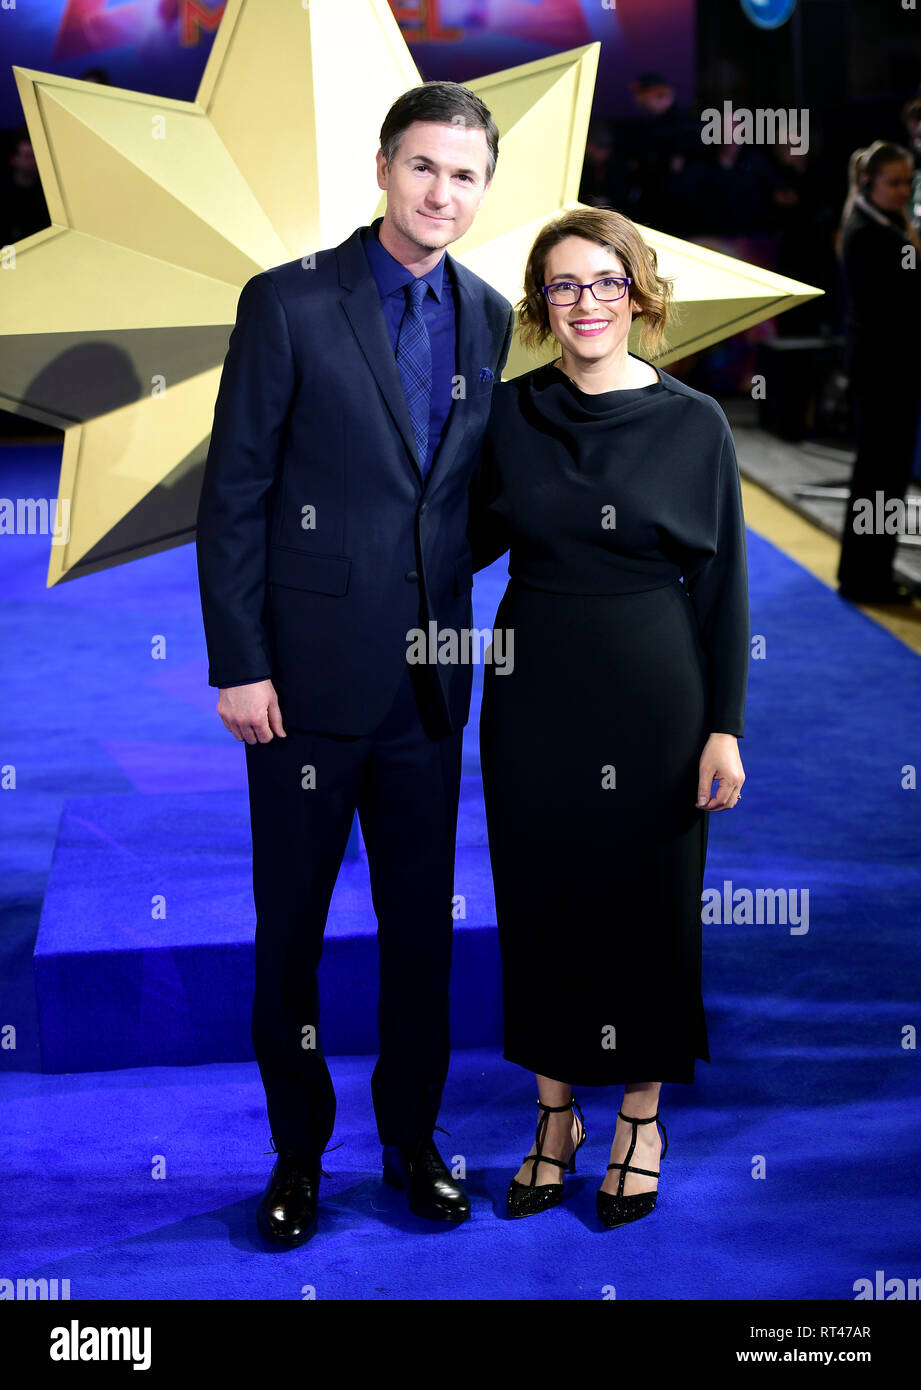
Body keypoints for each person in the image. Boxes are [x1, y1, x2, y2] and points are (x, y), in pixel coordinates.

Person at [195, 81, 513, 1247]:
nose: (443, 192)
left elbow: (461, 499)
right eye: (425, 167)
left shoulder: (487, 312)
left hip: (429, 688)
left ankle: (412, 1141)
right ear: (384, 169)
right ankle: (296, 1156)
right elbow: (233, 495)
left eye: (466, 175)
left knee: (419, 933)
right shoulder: (286, 304)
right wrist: (242, 661)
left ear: (485, 191)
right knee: (293, 933)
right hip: (302, 691)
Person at [467, 207, 749, 1229]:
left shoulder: (693, 421)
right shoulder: (507, 414)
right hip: (534, 686)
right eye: (563, 286)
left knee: (646, 902)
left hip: (656, 694)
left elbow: (723, 585)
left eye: (604, 282)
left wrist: (726, 726)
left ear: (639, 292)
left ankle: (638, 1116)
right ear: (541, 304)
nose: (584, 303)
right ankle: (553, 1116)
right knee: (540, 895)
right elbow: (451, 542)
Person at [836, 141, 921, 604]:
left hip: (888, 369)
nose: (902, 191)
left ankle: (869, 573)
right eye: (894, 182)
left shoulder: (883, 224)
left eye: (907, 182)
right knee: (879, 475)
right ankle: (867, 579)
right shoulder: (870, 231)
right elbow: (890, 309)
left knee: (881, 474)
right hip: (884, 371)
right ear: (869, 182)